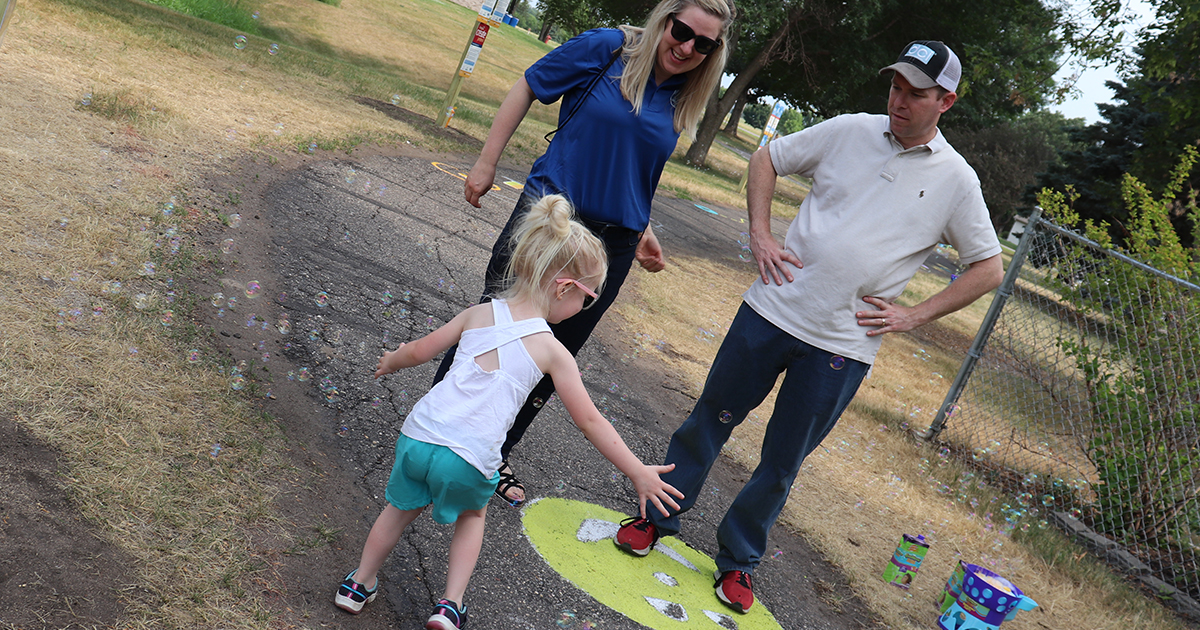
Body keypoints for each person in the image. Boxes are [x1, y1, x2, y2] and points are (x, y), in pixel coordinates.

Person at [614, 40, 1006, 614]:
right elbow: (767, 159)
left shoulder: (956, 180)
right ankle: (655, 520)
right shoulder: (850, 129)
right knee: (708, 421)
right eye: (895, 86)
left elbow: (989, 267)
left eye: (915, 93)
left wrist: (914, 315)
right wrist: (761, 234)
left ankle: (740, 561)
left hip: (843, 345)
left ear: (945, 101)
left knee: (782, 460)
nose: (898, 100)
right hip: (771, 311)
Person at [435, 0, 738, 506]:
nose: (686, 47)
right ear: (664, 20)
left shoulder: (687, 92)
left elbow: (639, 164)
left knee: (552, 360)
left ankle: (491, 455)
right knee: (492, 331)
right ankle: (436, 432)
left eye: (702, 43)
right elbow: (528, 85)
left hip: (610, 247)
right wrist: (486, 163)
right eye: (681, 31)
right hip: (549, 223)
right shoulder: (608, 49)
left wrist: (642, 226)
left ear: (713, 52)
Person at [336, 195, 684, 627]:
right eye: (589, 298)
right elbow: (590, 420)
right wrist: (636, 470)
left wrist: (390, 360)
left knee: (399, 509)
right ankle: (449, 604)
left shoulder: (479, 312)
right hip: (470, 454)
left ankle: (358, 583)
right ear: (564, 288)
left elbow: (419, 352)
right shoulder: (554, 352)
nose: (584, 308)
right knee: (472, 514)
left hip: (420, 435)